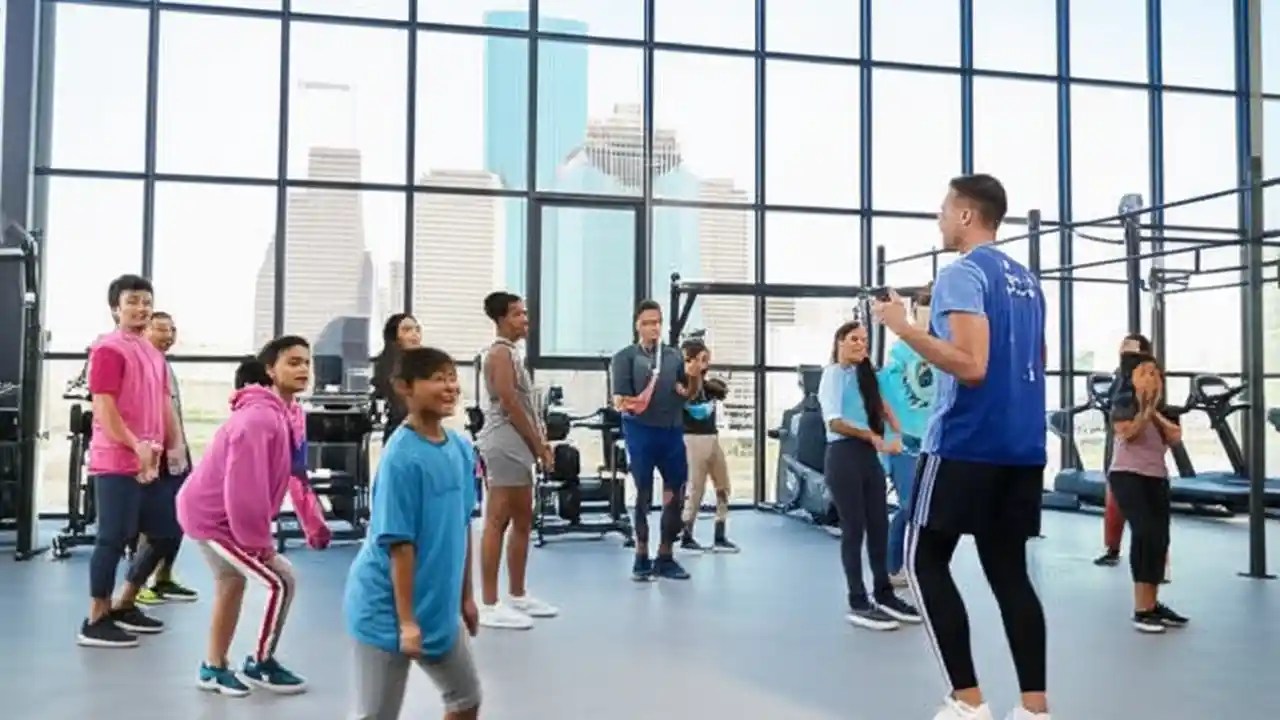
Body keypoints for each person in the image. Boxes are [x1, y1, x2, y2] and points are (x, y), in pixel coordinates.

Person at [871, 174, 1050, 720]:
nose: (940, 220)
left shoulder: (961, 273)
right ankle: (1035, 710)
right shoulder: (1028, 281)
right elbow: (1035, 359)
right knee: (1009, 572)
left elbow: (972, 367)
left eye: (945, 210)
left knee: (921, 559)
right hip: (1021, 448)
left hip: (965, 445)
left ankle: (968, 702)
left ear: (968, 216)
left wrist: (902, 327)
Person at [176, 336, 320, 697]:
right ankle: (260, 662)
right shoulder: (258, 418)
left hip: (222, 516)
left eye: (306, 362)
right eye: (293, 362)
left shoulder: (288, 414)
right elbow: (244, 487)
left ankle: (213, 668)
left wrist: (313, 523)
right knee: (280, 580)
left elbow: (294, 474)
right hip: (213, 517)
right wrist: (258, 544)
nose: (303, 369)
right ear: (270, 370)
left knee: (233, 583)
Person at [344, 347, 482, 720]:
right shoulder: (400, 457)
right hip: (385, 610)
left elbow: (463, 522)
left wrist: (466, 597)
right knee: (376, 715)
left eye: (452, 377)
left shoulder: (461, 449)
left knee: (465, 699)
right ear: (405, 387)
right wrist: (407, 622)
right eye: (438, 379)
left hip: (438, 606)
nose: (450, 387)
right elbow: (399, 546)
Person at [77, 274, 187, 649]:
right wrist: (134, 444)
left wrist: (174, 449)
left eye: (146, 301)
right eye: (133, 301)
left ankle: (125, 603)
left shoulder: (153, 353)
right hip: (116, 460)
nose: (141, 308)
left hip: (152, 460)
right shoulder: (109, 349)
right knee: (112, 538)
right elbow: (104, 407)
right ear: (115, 309)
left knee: (166, 531)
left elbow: (162, 404)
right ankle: (96, 618)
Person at [818, 320, 922, 631]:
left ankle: (884, 594)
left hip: (867, 456)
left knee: (879, 524)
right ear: (839, 341)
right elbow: (834, 422)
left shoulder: (866, 377)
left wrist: (900, 431)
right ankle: (858, 601)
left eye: (864, 340)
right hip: (843, 455)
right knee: (854, 529)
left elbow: (884, 409)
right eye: (854, 339)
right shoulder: (833, 374)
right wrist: (872, 437)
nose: (861, 344)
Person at [475, 291, 558, 630]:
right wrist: (538, 445)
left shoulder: (514, 354)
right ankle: (489, 602)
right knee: (499, 519)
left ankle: (518, 593)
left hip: (520, 444)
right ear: (500, 319)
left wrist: (539, 442)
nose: (525, 320)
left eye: (525, 313)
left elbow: (526, 404)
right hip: (506, 443)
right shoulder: (498, 353)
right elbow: (509, 402)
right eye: (517, 314)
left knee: (524, 518)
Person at [611, 300, 700, 582]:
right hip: (641, 432)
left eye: (657, 322)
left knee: (675, 494)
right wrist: (631, 402)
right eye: (647, 322)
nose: (653, 327)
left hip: (671, 432)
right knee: (644, 493)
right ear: (637, 324)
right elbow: (621, 400)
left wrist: (695, 378)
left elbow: (688, 394)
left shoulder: (673, 357)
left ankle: (665, 555)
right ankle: (641, 554)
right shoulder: (624, 357)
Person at [1108, 349, 1187, 633]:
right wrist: (1143, 410)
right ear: (1132, 378)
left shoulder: (1165, 410)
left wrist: (1153, 410)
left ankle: (1153, 604)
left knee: (1159, 538)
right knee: (1144, 534)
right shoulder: (1123, 403)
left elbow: (1175, 437)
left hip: (1156, 477)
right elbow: (1128, 433)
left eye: (1155, 373)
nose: (1152, 377)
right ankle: (1141, 610)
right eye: (1145, 373)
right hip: (1127, 476)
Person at [133, 310, 199, 606]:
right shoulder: (140, 365)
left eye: (171, 330)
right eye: (160, 330)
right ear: (144, 332)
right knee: (153, 521)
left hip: (176, 452)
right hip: (153, 454)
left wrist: (180, 449)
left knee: (179, 517)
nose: (167, 336)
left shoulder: (164, 366)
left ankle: (163, 578)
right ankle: (140, 582)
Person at [877, 286, 935, 586]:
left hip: (936, 439)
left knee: (928, 509)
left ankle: (916, 566)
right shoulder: (901, 351)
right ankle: (893, 566)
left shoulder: (945, 347)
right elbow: (886, 396)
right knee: (909, 506)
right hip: (907, 439)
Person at [1095, 333, 1151, 567]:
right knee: (1114, 501)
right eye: (1124, 354)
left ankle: (1155, 562)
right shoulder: (1120, 379)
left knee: (1149, 515)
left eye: (1132, 355)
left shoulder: (1150, 377)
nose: (1127, 359)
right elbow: (1116, 412)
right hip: (1122, 447)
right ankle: (1112, 549)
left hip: (1145, 451)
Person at [679, 339, 739, 553]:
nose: (706, 364)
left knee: (723, 485)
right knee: (696, 488)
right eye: (702, 360)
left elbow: (719, 392)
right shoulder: (684, 384)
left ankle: (720, 534)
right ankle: (687, 533)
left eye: (707, 360)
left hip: (712, 437)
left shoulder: (707, 387)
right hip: (693, 439)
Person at [372, 312, 423, 444]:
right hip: (398, 432)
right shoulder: (385, 366)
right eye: (407, 330)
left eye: (417, 329)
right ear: (394, 336)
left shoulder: (425, 364)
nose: (414, 334)